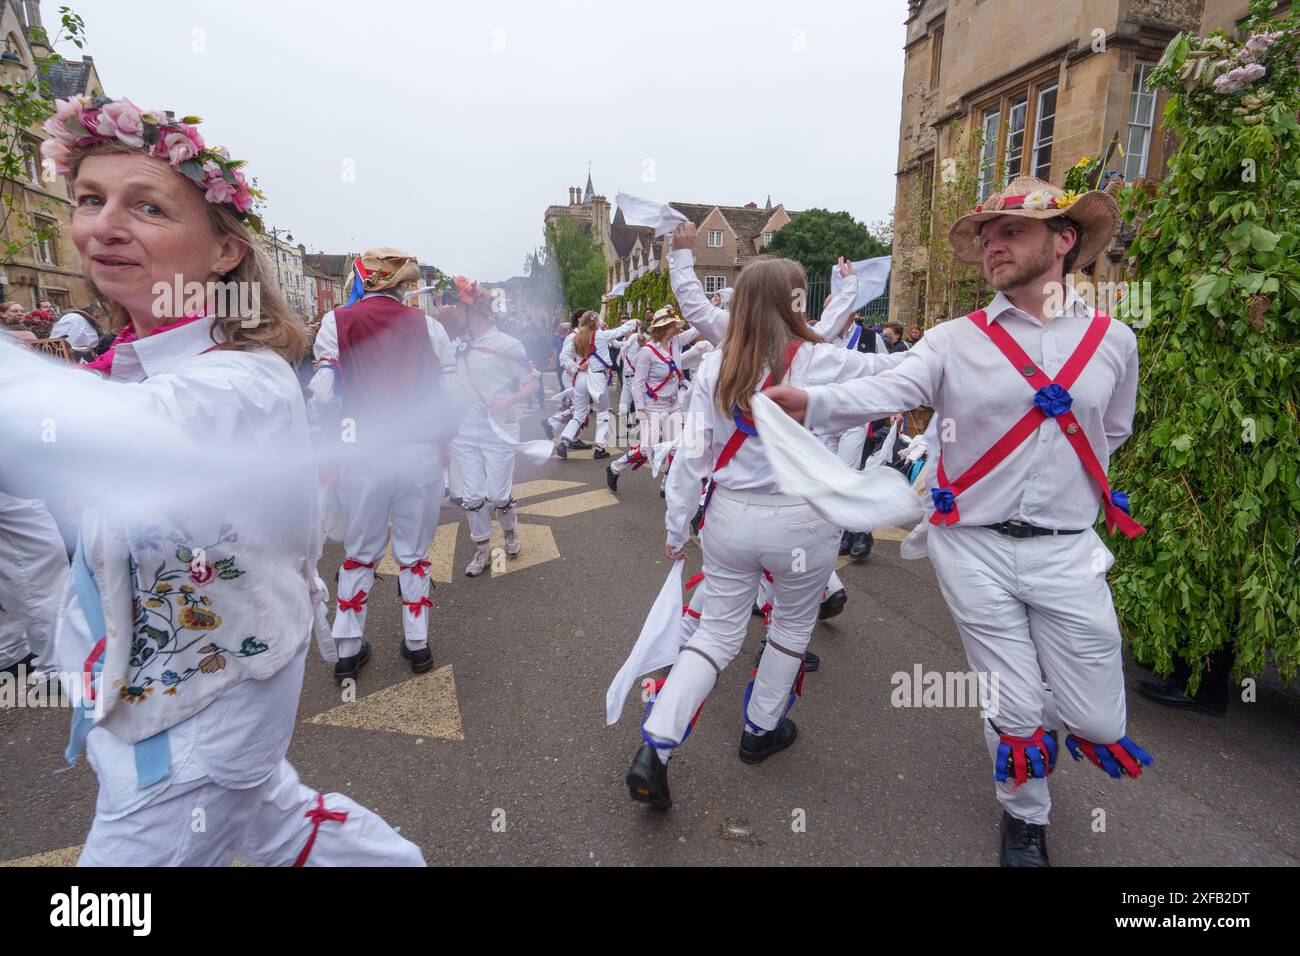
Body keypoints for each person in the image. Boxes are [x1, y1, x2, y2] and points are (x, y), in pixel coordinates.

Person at [35, 95, 424, 865]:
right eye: (90, 200)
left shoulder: (237, 383)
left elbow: (81, 434)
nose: (104, 226)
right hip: (177, 694)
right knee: (279, 818)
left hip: (194, 718)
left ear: (224, 253)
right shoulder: (149, 370)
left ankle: (370, 641)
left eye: (145, 207)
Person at [763, 175, 1151, 867]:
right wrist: (808, 401)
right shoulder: (950, 341)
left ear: (1064, 240)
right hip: (972, 548)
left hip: (1068, 551)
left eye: (1011, 231)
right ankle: (1025, 818)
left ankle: (1036, 723)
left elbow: (1111, 430)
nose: (992, 246)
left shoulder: (1116, 341)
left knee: (1096, 717)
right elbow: (888, 389)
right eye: (986, 236)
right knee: (1015, 710)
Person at [624, 255, 904, 810]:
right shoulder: (824, 360)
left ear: (743, 303)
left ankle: (656, 746)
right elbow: (900, 376)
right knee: (791, 627)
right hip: (802, 521)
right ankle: (759, 730)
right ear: (797, 302)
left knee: (714, 636)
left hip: (729, 516)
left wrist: (676, 527)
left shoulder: (715, 366)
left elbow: (689, 458)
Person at [309, 247, 456, 680]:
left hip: (364, 450)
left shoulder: (336, 322)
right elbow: (451, 397)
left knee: (360, 551)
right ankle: (418, 644)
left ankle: (348, 651)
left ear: (364, 279)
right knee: (412, 554)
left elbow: (322, 394)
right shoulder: (428, 326)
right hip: (419, 453)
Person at [440, 277, 542, 577]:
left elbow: (533, 382)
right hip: (464, 431)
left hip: (499, 429)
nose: (454, 311)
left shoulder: (508, 345)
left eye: (458, 306)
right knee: (472, 495)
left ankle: (510, 530)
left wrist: (507, 401)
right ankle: (483, 550)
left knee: (498, 495)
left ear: (475, 311)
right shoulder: (456, 346)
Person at [606, 306, 686, 495]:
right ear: (665, 327)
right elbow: (637, 384)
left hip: (674, 404)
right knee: (646, 448)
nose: (677, 326)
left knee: (676, 446)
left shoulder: (676, 342)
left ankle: (666, 484)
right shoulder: (648, 351)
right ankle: (615, 468)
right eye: (673, 324)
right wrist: (640, 409)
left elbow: (701, 324)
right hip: (653, 406)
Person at [553, 298, 638, 460]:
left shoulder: (574, 337)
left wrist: (576, 367)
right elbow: (621, 330)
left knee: (579, 413)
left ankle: (564, 441)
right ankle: (600, 448)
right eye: (598, 320)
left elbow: (563, 358)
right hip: (598, 378)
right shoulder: (601, 335)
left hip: (580, 379)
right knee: (603, 413)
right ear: (595, 322)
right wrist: (634, 321)